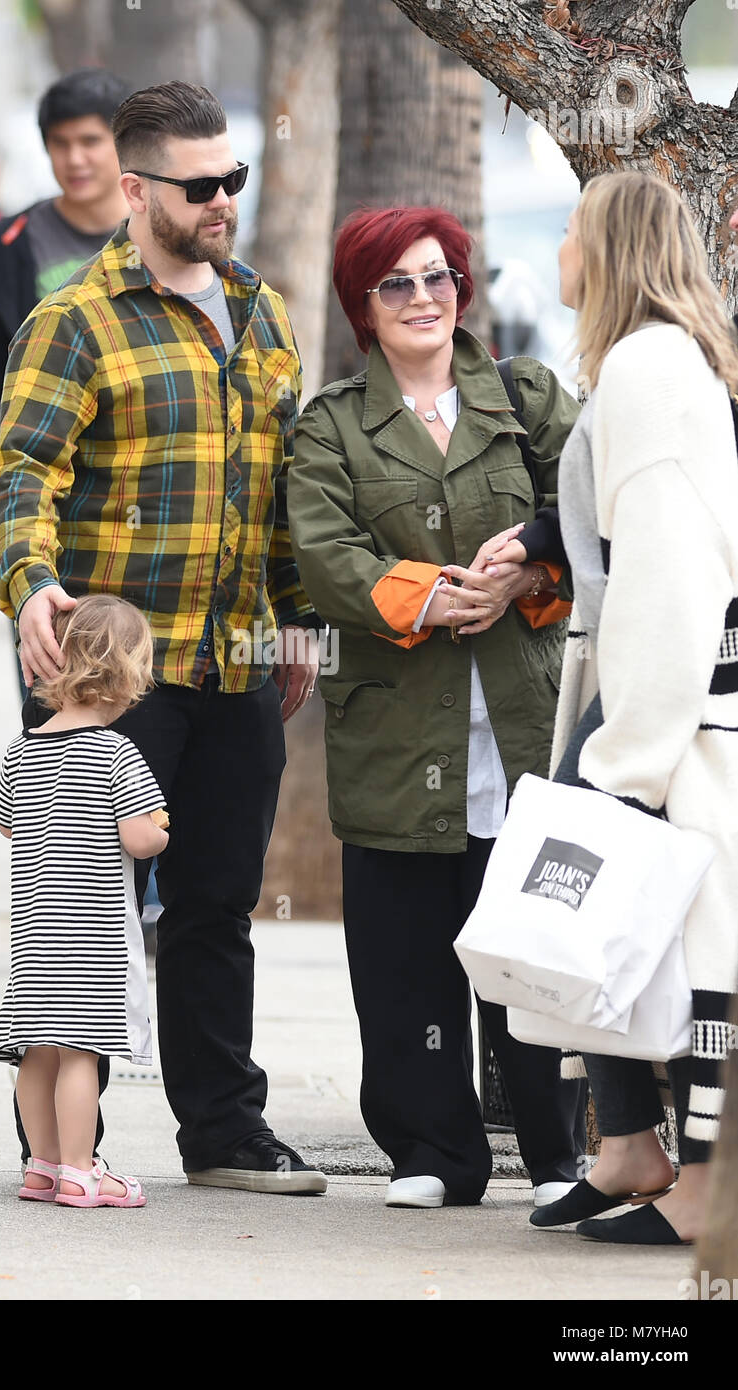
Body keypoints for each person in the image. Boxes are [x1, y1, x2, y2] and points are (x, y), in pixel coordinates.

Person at [0, 81, 326, 1195]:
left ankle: (222, 1131)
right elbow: (22, 468)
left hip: (234, 659)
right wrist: (31, 581)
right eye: (200, 184)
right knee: (83, 910)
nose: (224, 197)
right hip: (111, 674)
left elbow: (277, 488)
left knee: (218, 904)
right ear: (135, 190)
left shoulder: (263, 312)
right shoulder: (73, 320)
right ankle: (55, 1149)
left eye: (233, 176)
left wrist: (299, 620)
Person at [287, 204, 586, 1208]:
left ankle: (557, 1158)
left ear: (462, 286)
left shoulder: (523, 394)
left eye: (437, 277)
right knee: (403, 956)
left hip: (521, 722)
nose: (422, 298)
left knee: (530, 949)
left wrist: (527, 566)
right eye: (395, 284)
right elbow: (322, 555)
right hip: (394, 730)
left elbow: (594, 496)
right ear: (361, 308)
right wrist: (425, 594)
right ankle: (430, 1153)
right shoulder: (328, 424)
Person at [527, 171, 738, 1245]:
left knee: (660, 938)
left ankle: (701, 1188)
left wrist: (628, 753)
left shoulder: (649, 367)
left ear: (603, 247)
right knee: (596, 929)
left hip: (673, 705)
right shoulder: (648, 363)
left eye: (568, 227)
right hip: (650, 695)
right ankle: (626, 1147)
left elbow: (667, 570)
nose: (558, 245)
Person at [0, 594, 169, 1207]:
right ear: (123, 680)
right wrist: (165, 826)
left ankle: (40, 1166)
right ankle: (80, 1171)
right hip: (91, 937)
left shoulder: (22, 750)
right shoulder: (120, 754)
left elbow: (8, 822)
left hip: (34, 933)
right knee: (81, 1057)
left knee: (35, 1057)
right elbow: (141, 836)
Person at [0, 68, 130, 588]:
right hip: (42, 503)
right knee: (48, 662)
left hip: (142, 497)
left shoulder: (165, 238)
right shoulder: (4, 251)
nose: (74, 159)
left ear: (122, 144)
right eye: (60, 143)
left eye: (90, 141)